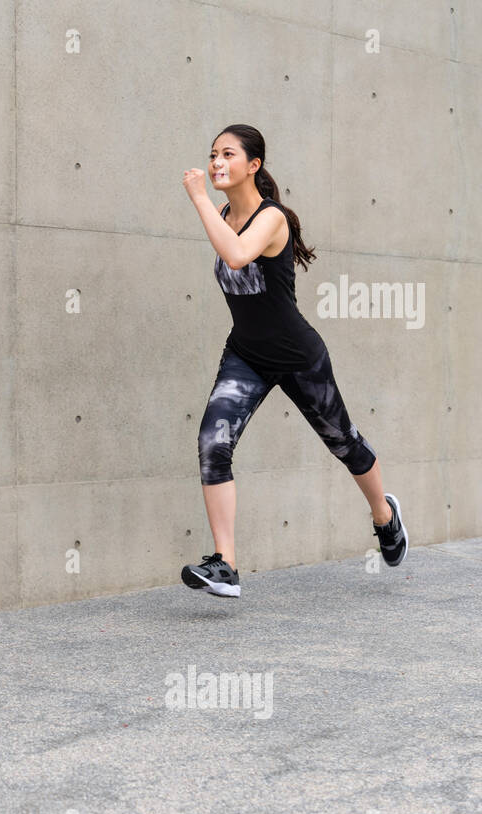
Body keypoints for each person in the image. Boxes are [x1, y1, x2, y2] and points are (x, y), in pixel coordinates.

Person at [178, 124, 407, 598]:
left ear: (253, 165)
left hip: (298, 357)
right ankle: (226, 563)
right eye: (213, 155)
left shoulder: (272, 218)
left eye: (228, 155)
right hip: (245, 354)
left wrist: (198, 197)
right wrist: (210, 204)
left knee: (343, 443)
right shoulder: (225, 212)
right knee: (212, 440)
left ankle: (384, 517)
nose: (217, 162)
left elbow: (238, 256)